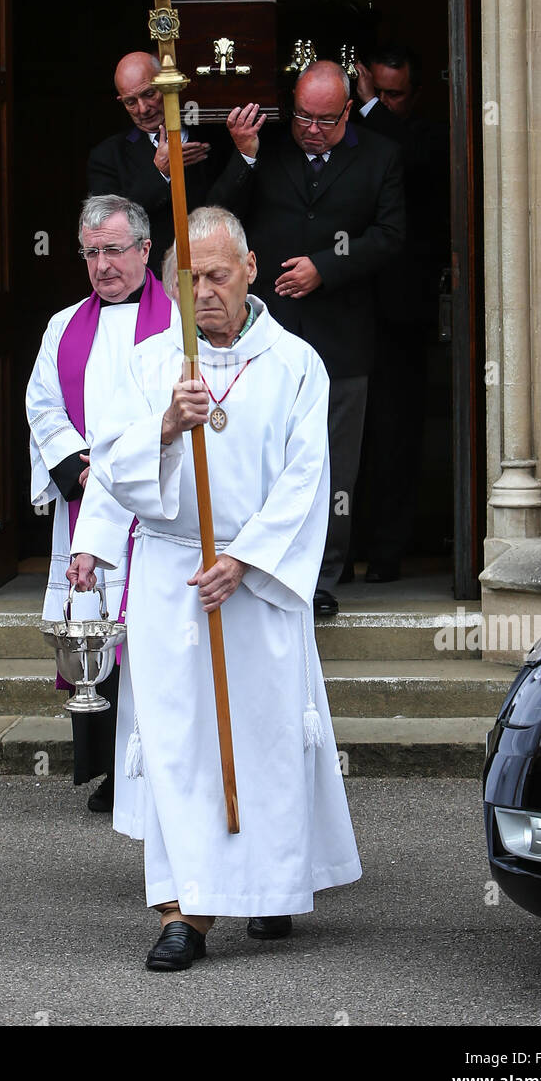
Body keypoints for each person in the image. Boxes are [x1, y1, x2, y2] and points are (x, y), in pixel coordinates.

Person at [68, 206, 361, 972]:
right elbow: (111, 463)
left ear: (251, 269)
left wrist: (249, 560)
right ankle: (182, 911)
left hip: (257, 586)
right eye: (186, 280)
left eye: (217, 276)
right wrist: (165, 428)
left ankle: (269, 886)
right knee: (180, 745)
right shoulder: (146, 365)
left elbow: (307, 479)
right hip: (173, 579)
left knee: (262, 741)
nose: (202, 294)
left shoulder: (296, 362)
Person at [217, 61, 406, 614]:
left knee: (331, 462)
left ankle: (321, 577)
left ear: (348, 110)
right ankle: (259, 565)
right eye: (302, 115)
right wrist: (245, 153)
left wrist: (327, 266)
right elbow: (219, 217)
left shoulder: (379, 156)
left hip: (341, 334)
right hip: (265, 336)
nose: (312, 128)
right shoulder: (266, 147)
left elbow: (392, 235)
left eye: (325, 119)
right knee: (266, 453)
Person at [26, 194, 172, 811]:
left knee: (155, 638)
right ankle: (112, 769)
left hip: (159, 511)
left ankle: (163, 768)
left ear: (144, 249)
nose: (102, 265)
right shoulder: (64, 327)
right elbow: (42, 404)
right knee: (96, 637)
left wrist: (130, 469)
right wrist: (78, 466)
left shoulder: (178, 325)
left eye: (114, 250)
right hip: (89, 506)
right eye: (91, 253)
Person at [352, 47, 451, 581]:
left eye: (396, 95)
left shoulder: (428, 137)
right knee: (349, 437)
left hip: (403, 314)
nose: (386, 103)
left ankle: (388, 554)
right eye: (379, 92)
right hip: (354, 311)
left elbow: (403, 155)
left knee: (395, 436)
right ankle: (343, 554)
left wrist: (369, 107)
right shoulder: (357, 134)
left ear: (415, 94)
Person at [86, 51, 250, 271]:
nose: (143, 109)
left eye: (149, 94)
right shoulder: (107, 156)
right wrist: (160, 173)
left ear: (169, 86)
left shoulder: (214, 137)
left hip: (214, 272)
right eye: (131, 102)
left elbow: (229, 208)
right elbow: (110, 229)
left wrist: (244, 151)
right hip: (152, 282)